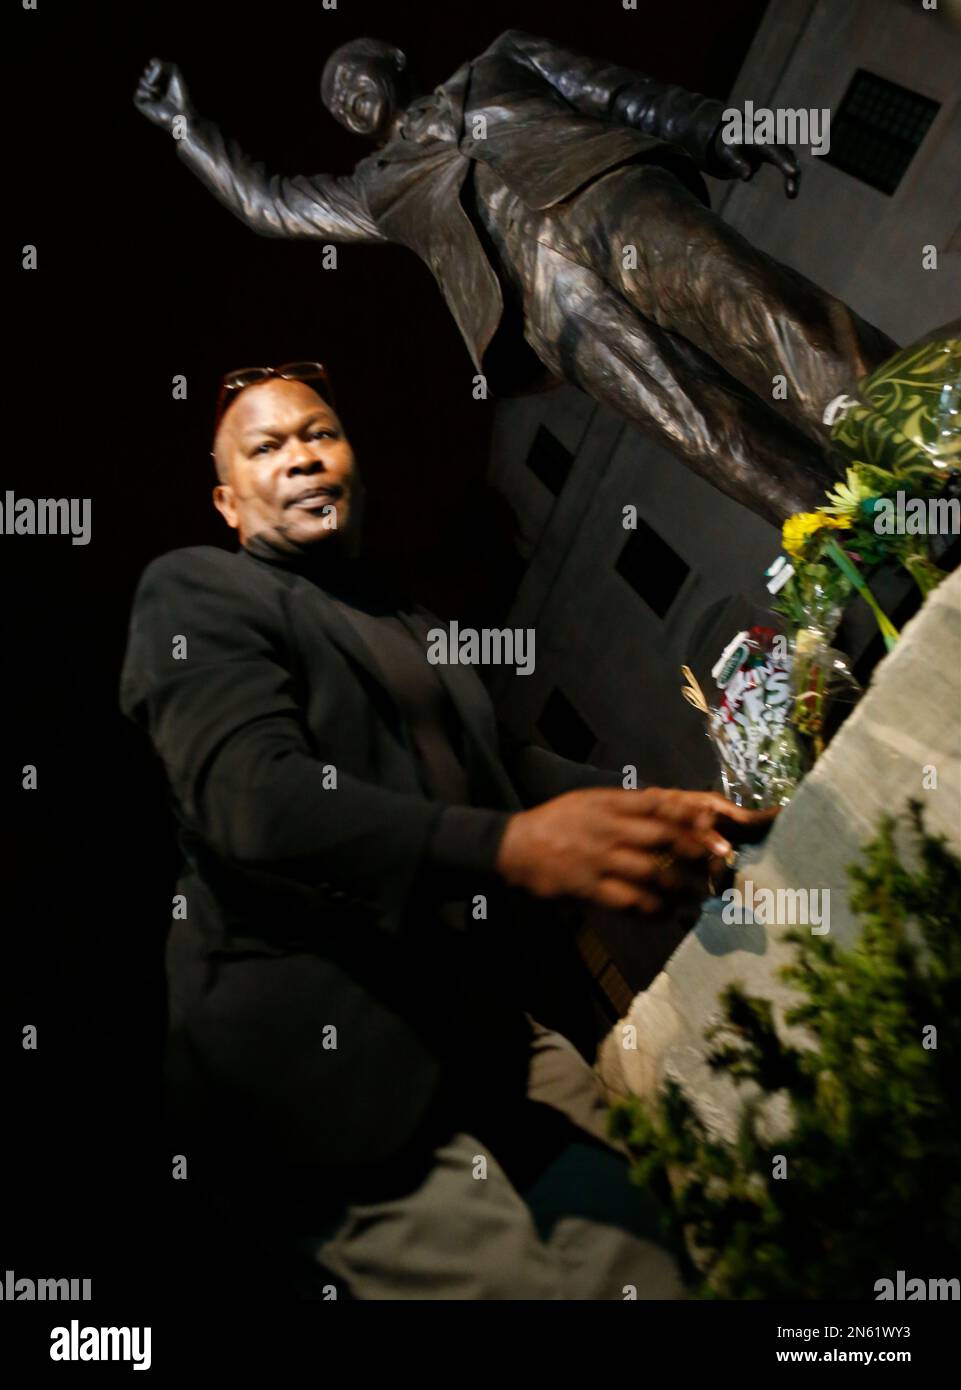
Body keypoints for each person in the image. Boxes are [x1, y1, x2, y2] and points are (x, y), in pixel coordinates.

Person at [119, 363, 774, 1299]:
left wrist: (660, 812)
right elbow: (252, 797)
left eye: (319, 434)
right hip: (324, 1094)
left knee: (655, 1263)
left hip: (490, 1041)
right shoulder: (195, 596)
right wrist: (512, 849)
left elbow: (505, 769)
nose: (302, 457)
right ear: (227, 503)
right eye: (268, 448)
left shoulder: (409, 622)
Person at [133, 31, 896, 525]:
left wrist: (728, 131)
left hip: (616, 201)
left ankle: (916, 447)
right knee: (699, 428)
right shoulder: (378, 190)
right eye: (334, 102)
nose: (344, 97)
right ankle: (851, 538)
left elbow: (621, 92)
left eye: (349, 74)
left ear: (392, 60)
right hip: (551, 306)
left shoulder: (499, 61)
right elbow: (269, 205)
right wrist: (184, 129)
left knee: (763, 311)